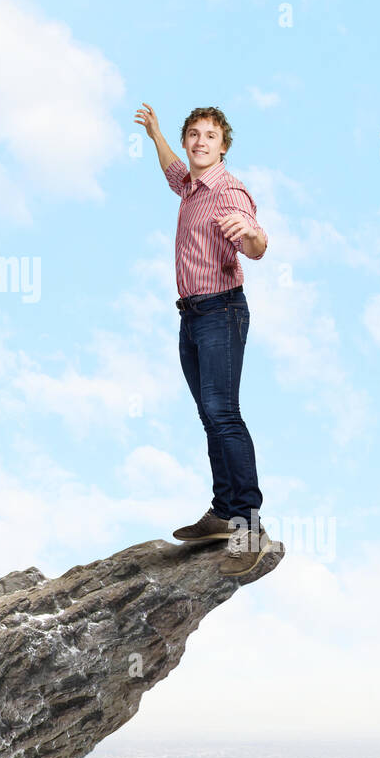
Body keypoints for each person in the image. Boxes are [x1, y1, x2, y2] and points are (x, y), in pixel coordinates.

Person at [133, 102, 271, 573]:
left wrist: (250, 235)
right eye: (193, 134)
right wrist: (155, 134)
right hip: (191, 316)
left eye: (209, 136)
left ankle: (249, 524)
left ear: (223, 145)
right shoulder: (190, 186)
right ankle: (223, 512)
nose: (198, 142)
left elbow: (256, 244)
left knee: (224, 414)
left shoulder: (229, 191)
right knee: (209, 415)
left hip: (221, 311)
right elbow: (173, 169)